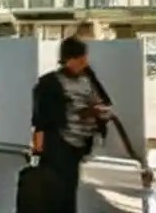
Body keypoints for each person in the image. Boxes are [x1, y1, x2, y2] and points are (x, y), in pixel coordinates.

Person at [31, 36, 114, 213]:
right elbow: (40, 120)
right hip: (58, 144)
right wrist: (37, 152)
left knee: (68, 189)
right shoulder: (49, 83)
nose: (84, 62)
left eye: (85, 58)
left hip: (78, 146)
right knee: (60, 191)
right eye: (80, 58)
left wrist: (97, 112)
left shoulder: (88, 79)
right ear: (68, 59)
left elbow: (105, 104)